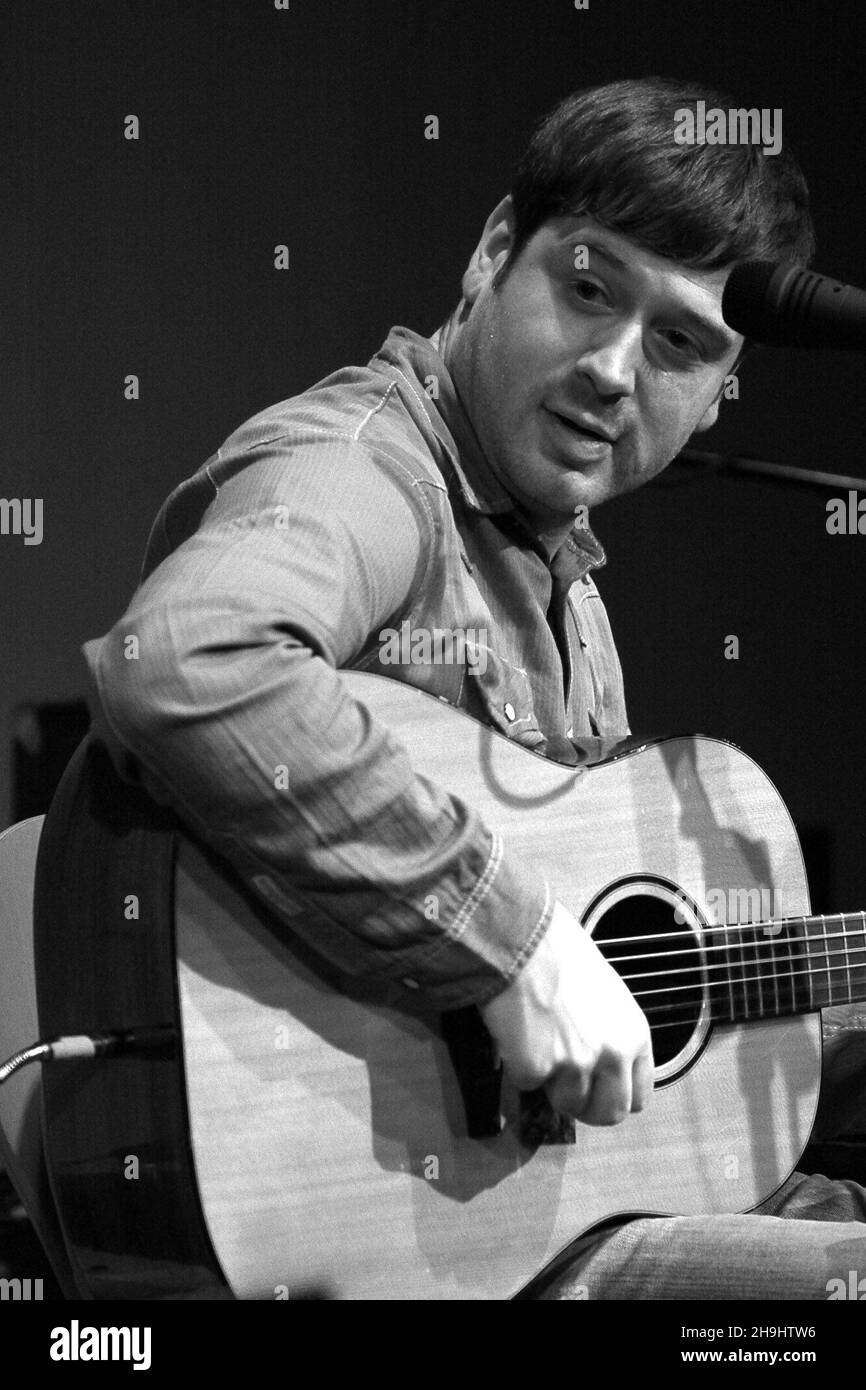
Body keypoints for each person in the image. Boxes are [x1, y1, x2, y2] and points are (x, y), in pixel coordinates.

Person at [81, 76, 866, 1298]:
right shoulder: (365, 471)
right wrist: (512, 948)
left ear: (721, 385)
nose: (613, 369)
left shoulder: (559, 571)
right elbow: (187, 656)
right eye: (588, 288)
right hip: (392, 1231)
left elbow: (637, 1021)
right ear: (494, 250)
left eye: (679, 344)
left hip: (542, 1208)